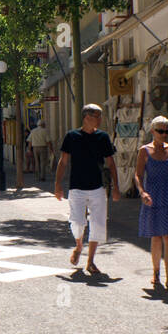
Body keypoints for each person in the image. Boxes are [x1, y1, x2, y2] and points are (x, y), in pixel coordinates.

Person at [54, 104, 119, 275]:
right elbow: (63, 161)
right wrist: (57, 185)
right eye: (97, 116)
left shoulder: (103, 137)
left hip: (97, 187)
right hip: (77, 187)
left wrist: (116, 188)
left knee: (98, 223)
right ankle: (78, 245)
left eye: (100, 116)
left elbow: (111, 163)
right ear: (86, 117)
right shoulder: (72, 136)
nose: (100, 119)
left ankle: (90, 261)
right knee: (77, 222)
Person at [135, 115, 168, 290]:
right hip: (153, 197)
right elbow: (138, 175)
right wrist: (142, 192)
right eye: (160, 131)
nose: (164, 134)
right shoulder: (144, 150)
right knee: (156, 236)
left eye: (166, 131)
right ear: (152, 131)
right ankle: (156, 272)